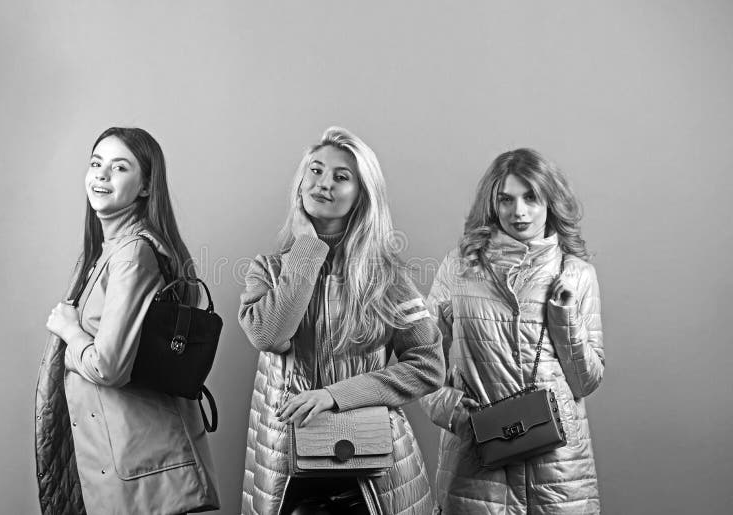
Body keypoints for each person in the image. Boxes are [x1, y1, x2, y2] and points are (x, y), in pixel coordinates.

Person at [239, 126, 444, 515]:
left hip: (375, 476)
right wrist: (308, 250)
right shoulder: (268, 270)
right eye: (315, 171)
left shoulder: (387, 277)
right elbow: (269, 335)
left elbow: (429, 366)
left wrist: (335, 396)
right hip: (288, 474)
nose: (324, 184)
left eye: (341, 177)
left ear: (361, 195)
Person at [35, 127, 219, 514]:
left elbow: (109, 367)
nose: (101, 175)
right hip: (123, 461)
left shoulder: (132, 254)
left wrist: (69, 331)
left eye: (119, 167)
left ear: (146, 187)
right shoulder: (109, 250)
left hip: (143, 472)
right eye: (96, 163)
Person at [420, 148, 604, 514]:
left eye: (531, 198)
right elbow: (423, 363)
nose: (519, 212)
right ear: (492, 204)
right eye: (506, 199)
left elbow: (586, 382)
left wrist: (564, 314)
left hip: (558, 469)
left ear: (550, 201)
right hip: (476, 467)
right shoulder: (458, 267)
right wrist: (455, 412)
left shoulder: (576, 273)